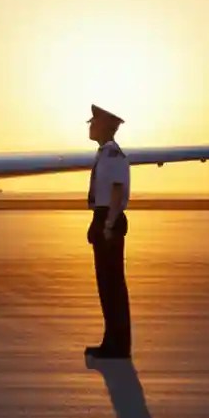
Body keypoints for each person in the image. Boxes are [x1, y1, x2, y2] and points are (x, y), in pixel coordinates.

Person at [85, 104, 132, 359]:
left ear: (105, 127)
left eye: (94, 122)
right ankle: (111, 341)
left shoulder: (112, 155)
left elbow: (116, 190)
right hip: (103, 217)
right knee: (106, 286)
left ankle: (119, 345)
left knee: (113, 286)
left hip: (109, 219)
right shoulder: (104, 154)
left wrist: (109, 224)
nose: (90, 126)